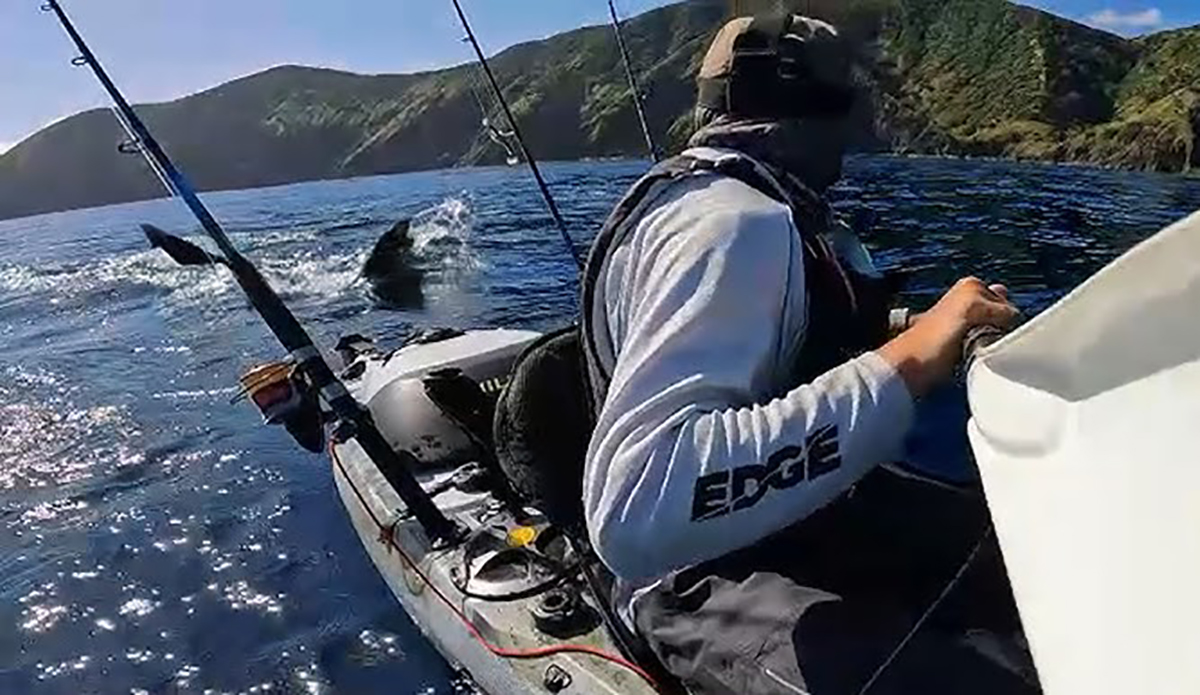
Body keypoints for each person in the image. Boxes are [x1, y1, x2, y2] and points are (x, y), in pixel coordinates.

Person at [579, 14, 1035, 695]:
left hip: (801, 515)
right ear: (812, 113)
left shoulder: (715, 200)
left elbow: (799, 329)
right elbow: (636, 505)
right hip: (689, 573)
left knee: (1024, 550)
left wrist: (927, 326)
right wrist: (912, 360)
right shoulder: (736, 225)